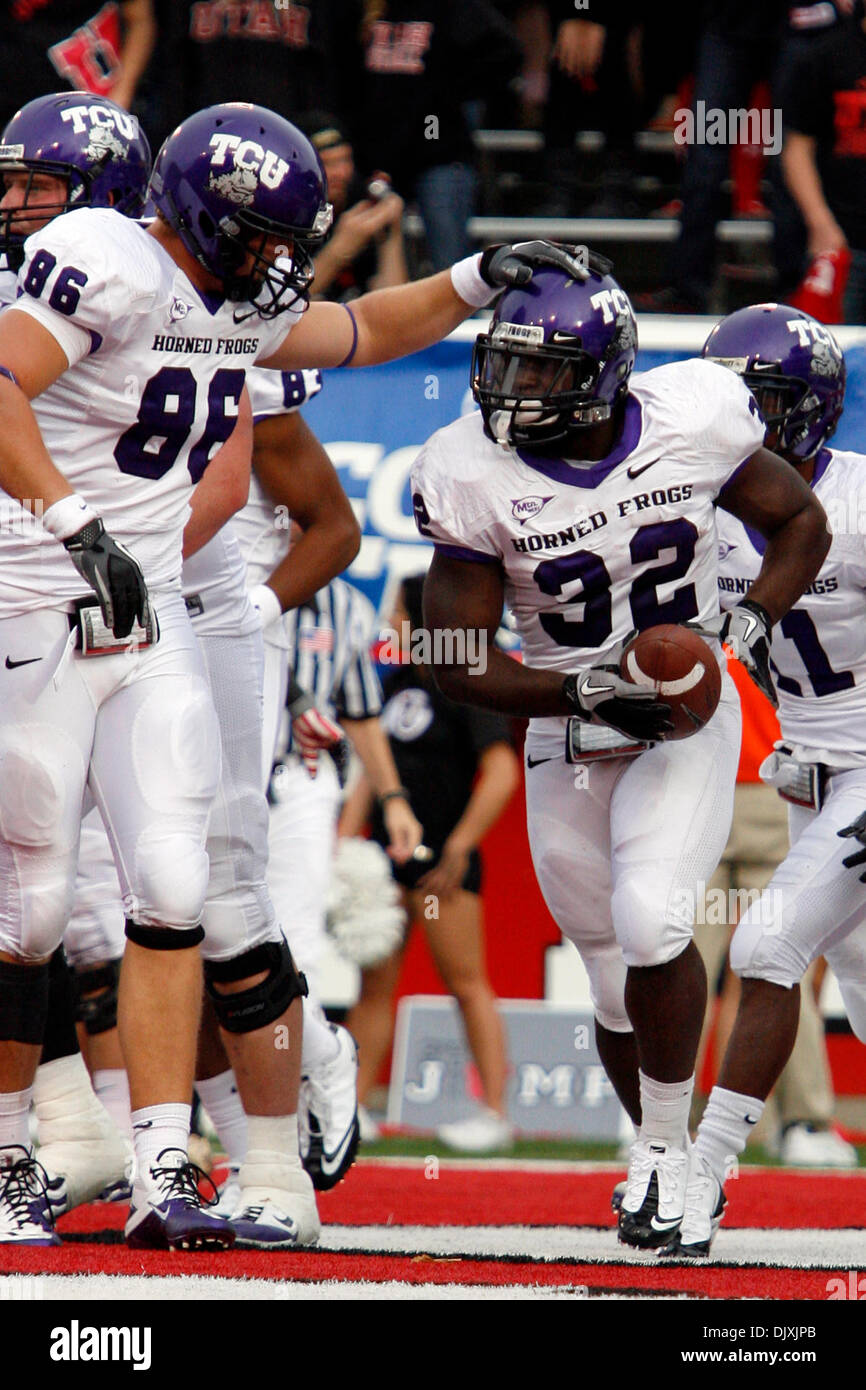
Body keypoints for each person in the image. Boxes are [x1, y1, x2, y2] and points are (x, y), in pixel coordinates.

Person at [0, 92, 559, 1248]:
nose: (274, 264)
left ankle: (164, 1169)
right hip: (36, 605)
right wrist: (69, 524)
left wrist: (475, 277)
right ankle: (12, 1150)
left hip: (145, 623)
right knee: (38, 903)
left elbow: (359, 330)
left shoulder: (223, 304)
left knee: (173, 886)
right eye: (261, 238)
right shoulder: (99, 251)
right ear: (208, 217)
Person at [410, 248, 830, 1249]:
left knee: (651, 922)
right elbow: (451, 654)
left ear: (602, 369)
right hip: (566, 718)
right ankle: (650, 1141)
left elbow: (797, 522)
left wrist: (747, 628)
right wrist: (583, 688)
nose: (514, 390)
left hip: (684, 714)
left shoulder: (692, 413)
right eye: (504, 364)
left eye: (542, 370)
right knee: (607, 973)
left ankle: (660, 1157)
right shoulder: (468, 465)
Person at [664, 302, 866, 1257]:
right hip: (809, 781)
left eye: (763, 402)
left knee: (768, 943)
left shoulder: (859, 503)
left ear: (810, 410)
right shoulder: (703, 519)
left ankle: (703, 1176)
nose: (742, 421)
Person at [342, 573, 521, 1151]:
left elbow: (501, 772)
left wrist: (460, 845)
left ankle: (494, 1111)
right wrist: (344, 846)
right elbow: (374, 775)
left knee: (467, 983)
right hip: (384, 862)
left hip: (443, 864)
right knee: (374, 988)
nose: (390, 623)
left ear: (424, 621)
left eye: (398, 612)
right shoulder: (392, 686)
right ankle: (351, 1108)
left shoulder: (466, 686)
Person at [300, 112, 408, 301]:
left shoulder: (361, 201)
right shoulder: (286, 213)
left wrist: (390, 233)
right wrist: (340, 249)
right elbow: (284, 302)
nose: (340, 173)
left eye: (344, 160)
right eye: (327, 163)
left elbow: (394, 304)